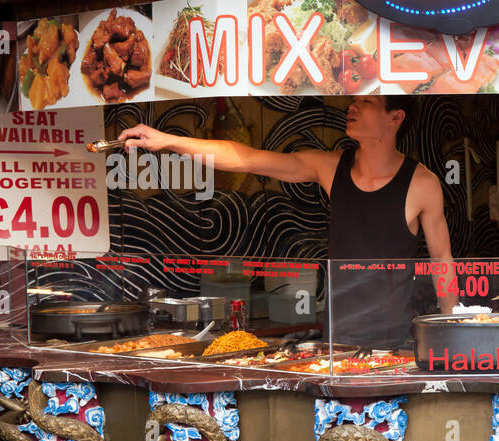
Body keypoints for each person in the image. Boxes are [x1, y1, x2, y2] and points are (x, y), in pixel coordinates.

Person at [118, 94, 456, 347]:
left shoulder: (422, 183)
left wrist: (453, 333)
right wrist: (168, 140)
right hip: (337, 339)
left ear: (395, 117)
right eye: (353, 99)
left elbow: (442, 261)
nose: (351, 106)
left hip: (396, 340)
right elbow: (247, 159)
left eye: (365, 101)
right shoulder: (330, 167)